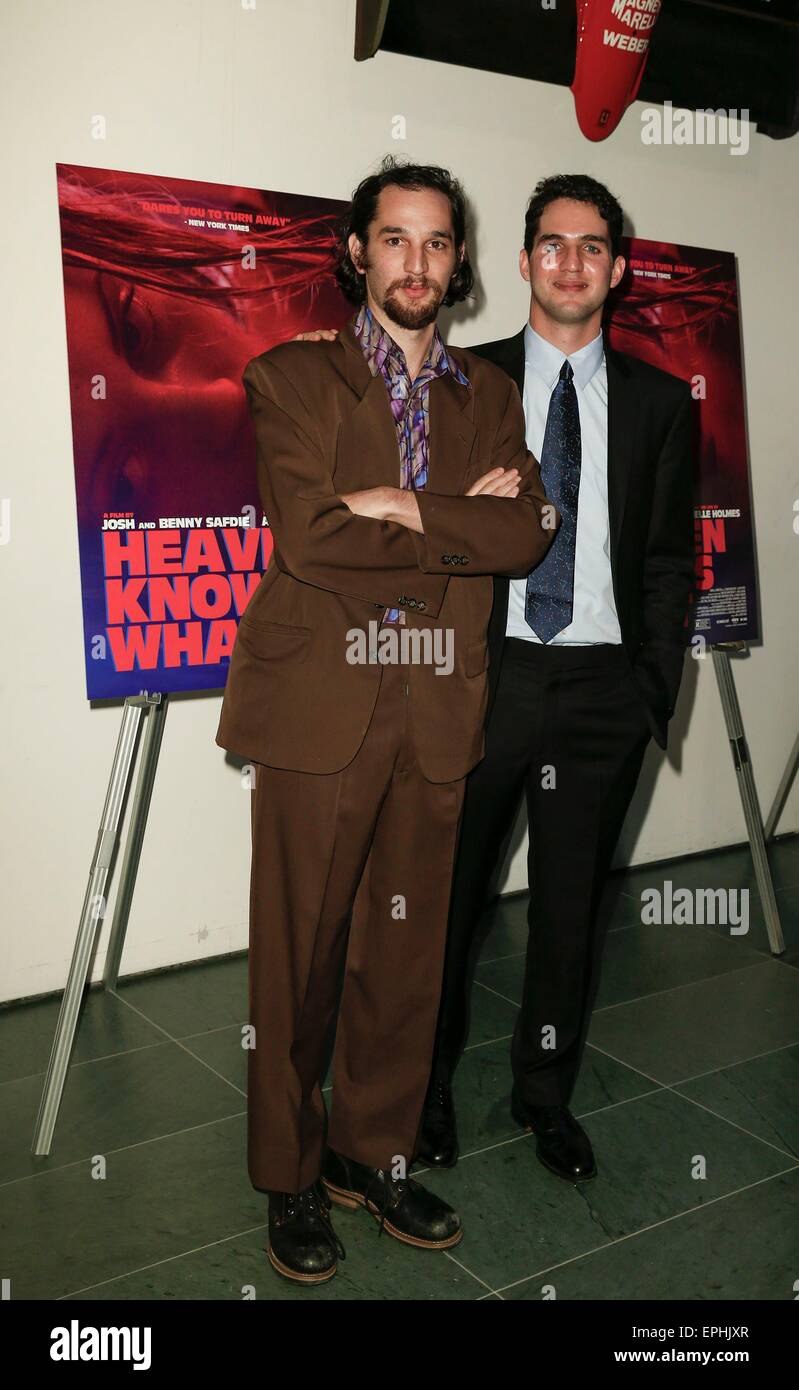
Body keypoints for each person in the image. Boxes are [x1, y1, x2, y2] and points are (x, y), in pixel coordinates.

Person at [215, 155, 555, 1284]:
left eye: (438, 242)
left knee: (403, 960)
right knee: (300, 962)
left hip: (439, 707)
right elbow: (311, 541)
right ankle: (290, 1172)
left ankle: (374, 1153)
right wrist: (457, 525)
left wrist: (404, 505)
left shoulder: (488, 396)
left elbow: (529, 535)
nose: (417, 261)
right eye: (395, 238)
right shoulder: (289, 379)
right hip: (323, 704)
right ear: (358, 251)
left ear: (458, 264)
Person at [416, 174, 696, 1182]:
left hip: (601, 695)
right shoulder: (459, 381)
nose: (569, 261)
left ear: (616, 269)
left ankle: (542, 1097)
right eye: (550, 243)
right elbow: (419, 541)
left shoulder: (663, 404)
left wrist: (648, 689)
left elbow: (668, 561)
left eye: (591, 246)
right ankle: (424, 1096)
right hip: (487, 680)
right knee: (445, 907)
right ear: (525, 258)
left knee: (569, 915)